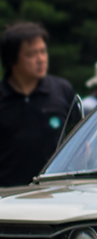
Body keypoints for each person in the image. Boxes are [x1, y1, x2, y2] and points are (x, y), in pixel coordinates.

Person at [0, 22, 78, 188]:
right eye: (31, 54)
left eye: (43, 52)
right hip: (7, 196)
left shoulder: (62, 90)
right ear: (12, 60)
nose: (41, 59)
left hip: (57, 191)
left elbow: (80, 143)